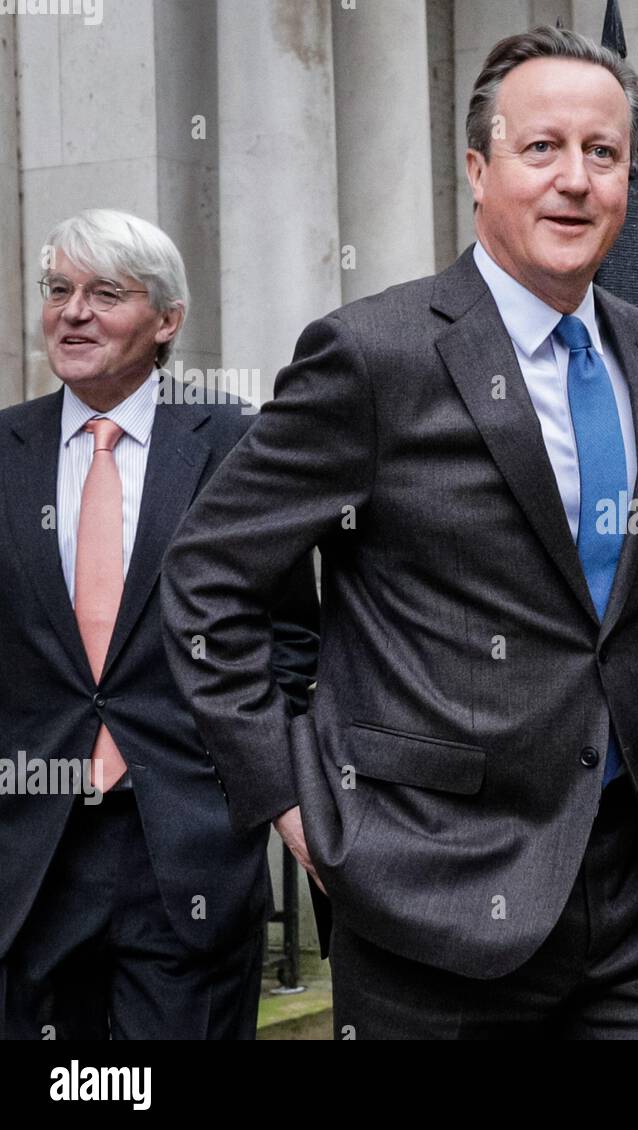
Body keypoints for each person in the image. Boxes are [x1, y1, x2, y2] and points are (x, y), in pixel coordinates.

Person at [162, 26, 638, 1039]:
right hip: (432, 895)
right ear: (477, 168)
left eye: (602, 153)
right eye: (541, 148)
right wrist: (295, 803)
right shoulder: (374, 354)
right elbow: (209, 578)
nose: (575, 180)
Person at [0, 209, 319, 1040]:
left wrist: (238, 783)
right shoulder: (3, 450)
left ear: (167, 320)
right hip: (31, 849)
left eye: (106, 293)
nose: (73, 313)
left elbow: (289, 635)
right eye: (59, 290)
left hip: (185, 842)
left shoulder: (237, 447)